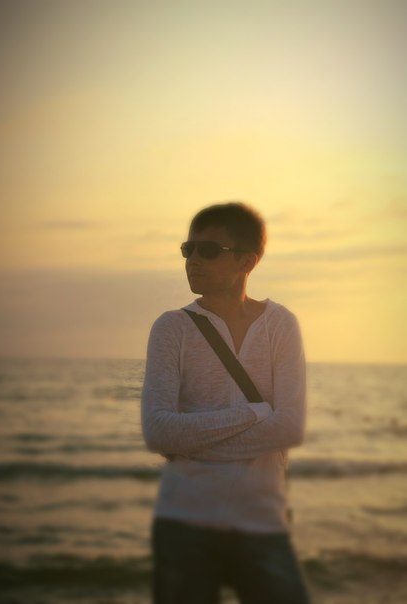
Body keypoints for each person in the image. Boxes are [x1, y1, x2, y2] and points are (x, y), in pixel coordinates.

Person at [141, 202, 310, 604]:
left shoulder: (280, 325)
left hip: (262, 520)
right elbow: (159, 432)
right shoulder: (171, 328)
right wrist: (253, 413)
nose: (193, 260)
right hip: (185, 520)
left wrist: (193, 445)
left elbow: (289, 427)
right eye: (188, 249)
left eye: (209, 250)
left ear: (247, 261)